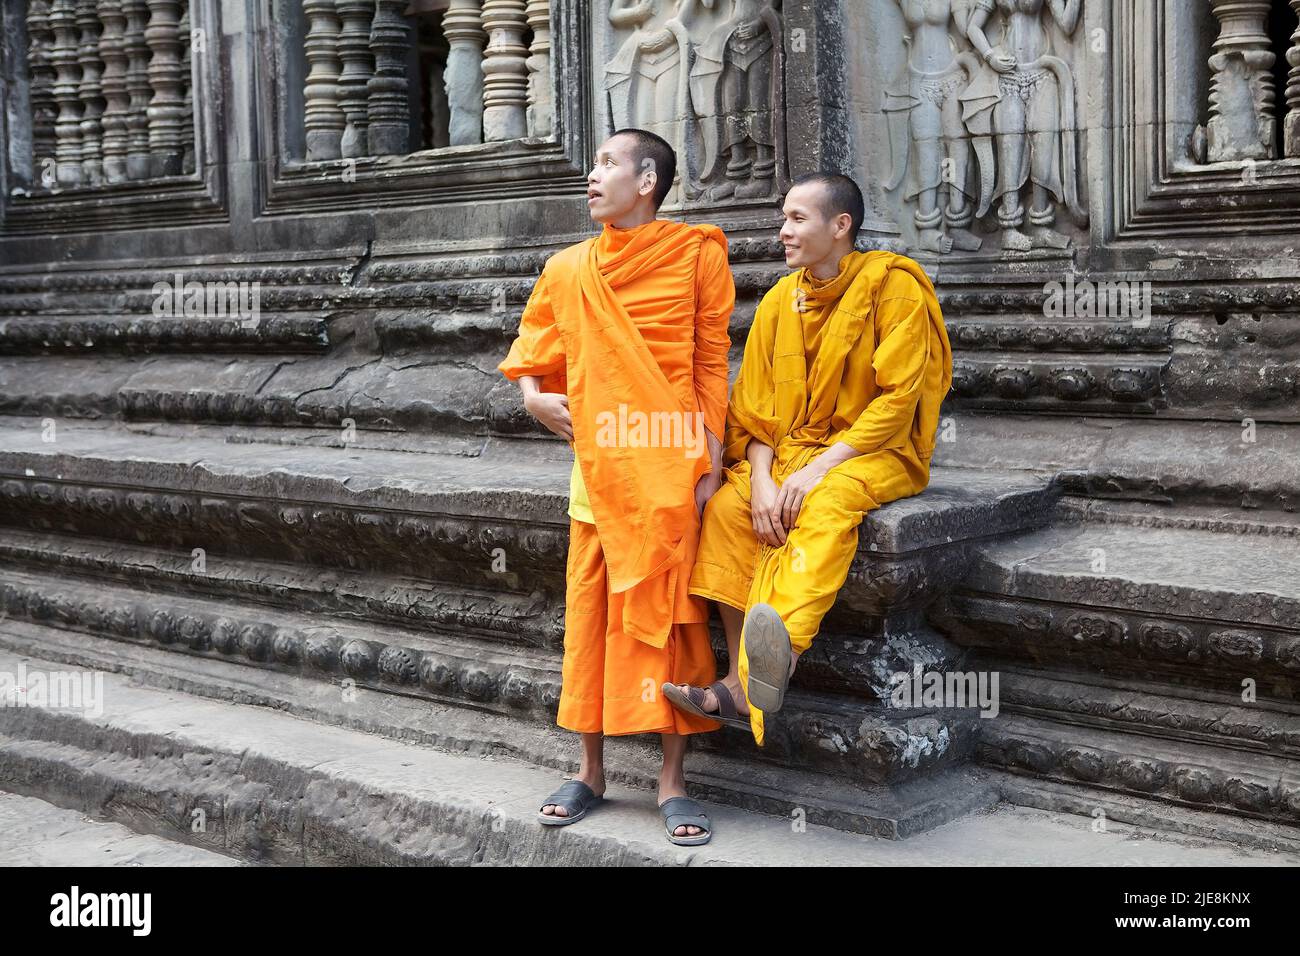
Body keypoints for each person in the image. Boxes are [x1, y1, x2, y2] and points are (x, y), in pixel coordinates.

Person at [498, 128, 735, 844]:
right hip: (598, 475)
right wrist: (534, 399)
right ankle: (590, 771)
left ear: (648, 181)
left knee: (673, 622)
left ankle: (671, 781)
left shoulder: (696, 255)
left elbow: (710, 363)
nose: (592, 177)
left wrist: (713, 462)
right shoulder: (568, 268)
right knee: (592, 619)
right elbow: (534, 352)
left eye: (606, 165)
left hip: (670, 469)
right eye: (593, 165)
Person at [664, 173, 952, 747]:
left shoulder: (895, 289)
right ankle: (740, 680)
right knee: (727, 508)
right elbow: (754, 409)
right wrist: (767, 479)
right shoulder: (779, 299)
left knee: (827, 504)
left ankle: (780, 657)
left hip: (874, 449)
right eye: (784, 219)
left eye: (798, 219)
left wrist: (818, 469)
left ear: (840, 226)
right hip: (789, 451)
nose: (783, 232)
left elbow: (899, 400)